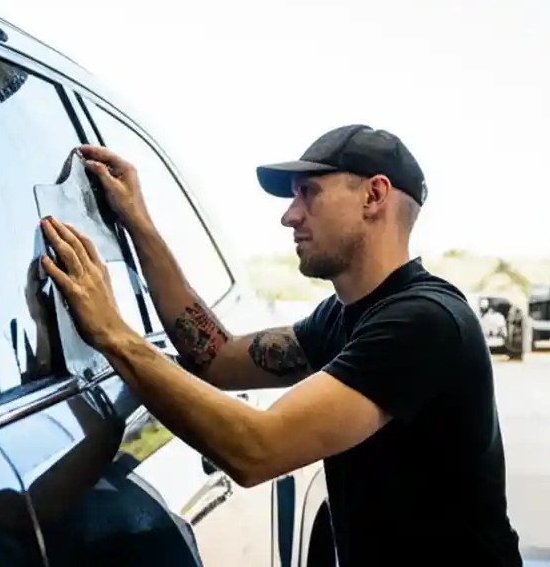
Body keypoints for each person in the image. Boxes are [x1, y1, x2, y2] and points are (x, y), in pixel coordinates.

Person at [38, 124, 521, 566]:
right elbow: (218, 357)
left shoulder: (423, 323)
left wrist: (113, 334)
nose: (290, 217)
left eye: (308, 194)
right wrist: (139, 223)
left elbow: (257, 449)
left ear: (374, 195)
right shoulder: (345, 317)